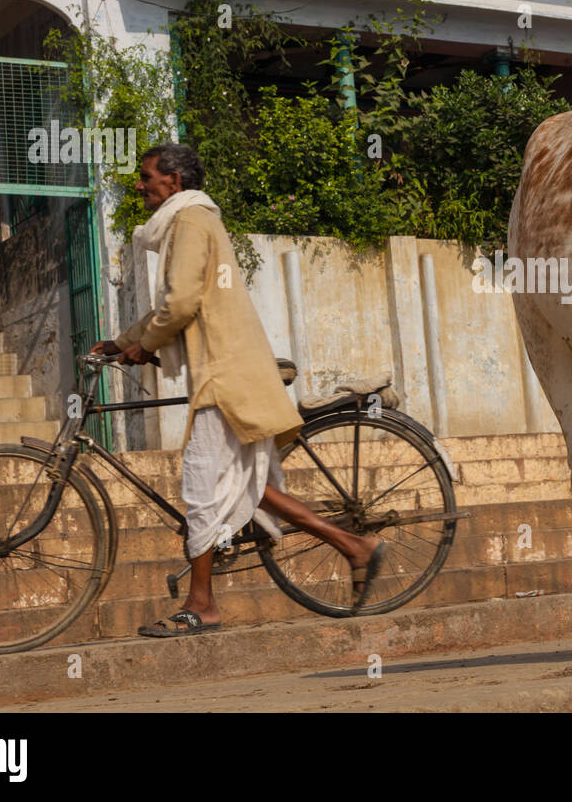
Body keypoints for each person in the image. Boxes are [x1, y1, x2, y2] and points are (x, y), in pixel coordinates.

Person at [92, 144, 385, 636]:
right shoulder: (191, 221)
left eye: (146, 177)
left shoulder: (188, 222)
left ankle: (202, 604)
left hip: (225, 375)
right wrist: (123, 342)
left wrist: (143, 346)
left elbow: (181, 303)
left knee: (203, 487)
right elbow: (176, 302)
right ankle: (355, 546)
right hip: (228, 369)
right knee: (243, 485)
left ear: (174, 182)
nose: (140, 186)